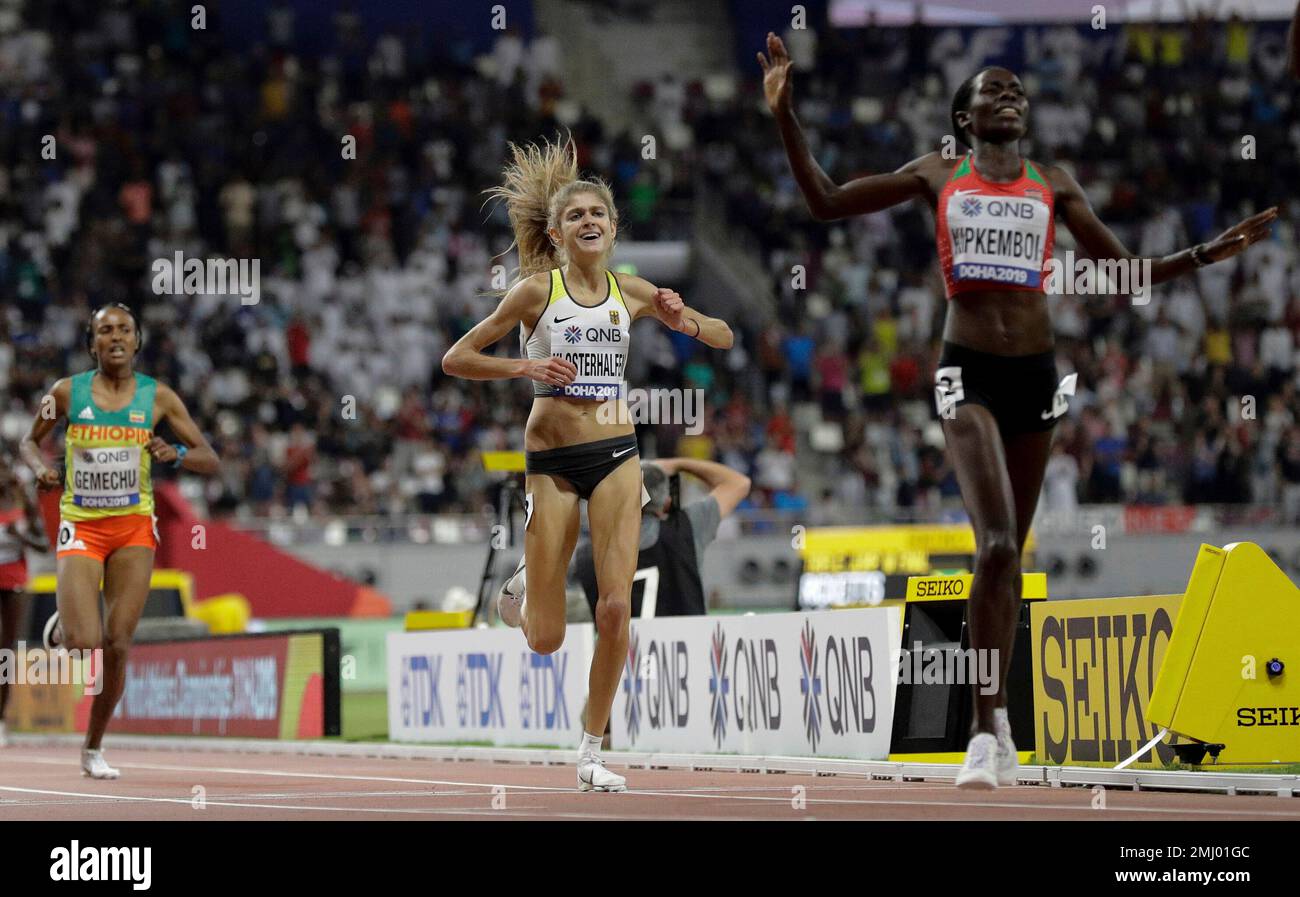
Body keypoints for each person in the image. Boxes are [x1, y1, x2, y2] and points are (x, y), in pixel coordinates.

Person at [758, 34, 1276, 788]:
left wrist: (1202, 255)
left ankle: (998, 726)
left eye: (1017, 92)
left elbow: (1119, 268)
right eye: (992, 90)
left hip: (1035, 375)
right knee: (995, 540)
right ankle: (983, 726)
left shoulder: (1054, 183)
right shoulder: (938, 172)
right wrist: (785, 116)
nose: (1009, 97)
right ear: (963, 117)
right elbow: (827, 200)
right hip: (963, 371)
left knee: (1009, 553)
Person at [442, 139, 732, 791]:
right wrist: (525, 365)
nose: (589, 221)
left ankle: (591, 750)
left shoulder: (631, 292)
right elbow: (456, 359)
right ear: (556, 231)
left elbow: (724, 336)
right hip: (551, 457)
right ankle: (520, 589)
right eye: (575, 215)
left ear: (614, 227)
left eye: (598, 212)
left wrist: (686, 319)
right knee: (546, 638)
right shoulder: (530, 293)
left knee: (611, 609)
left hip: (618, 454)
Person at [19, 304, 220, 778]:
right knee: (86, 640)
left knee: (118, 643)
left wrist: (178, 453)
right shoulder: (66, 393)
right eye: (104, 330)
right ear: (92, 344)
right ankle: (64, 631)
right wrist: (41, 471)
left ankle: (93, 748)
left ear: (136, 341)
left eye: (124, 330)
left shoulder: (160, 398)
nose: (115, 337)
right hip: (82, 525)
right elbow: (29, 442)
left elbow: (210, 459)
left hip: (133, 528)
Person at [572, 458, 751, 619]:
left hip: (624, 654)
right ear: (666, 502)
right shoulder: (687, 528)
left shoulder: (590, 553)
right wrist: (677, 464)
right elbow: (739, 483)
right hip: (687, 647)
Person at [0, 456, 49, 747]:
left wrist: (21, 535)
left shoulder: (24, 502)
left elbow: (44, 544)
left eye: (5, 469)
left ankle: (1, 718)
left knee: (6, 652)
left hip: (15, 581)